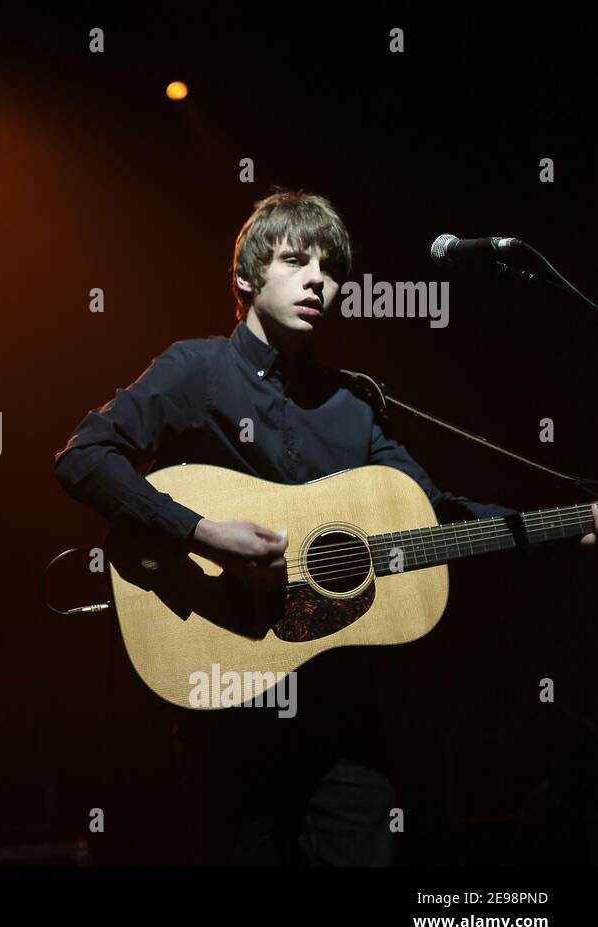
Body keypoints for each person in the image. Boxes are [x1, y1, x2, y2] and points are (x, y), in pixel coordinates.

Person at [53, 189, 595, 865]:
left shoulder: (355, 404)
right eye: (295, 260)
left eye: (332, 269)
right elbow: (85, 456)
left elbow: (437, 513)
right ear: (248, 277)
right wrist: (200, 532)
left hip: (344, 715)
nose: (319, 279)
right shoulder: (194, 371)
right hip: (224, 700)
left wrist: (571, 528)